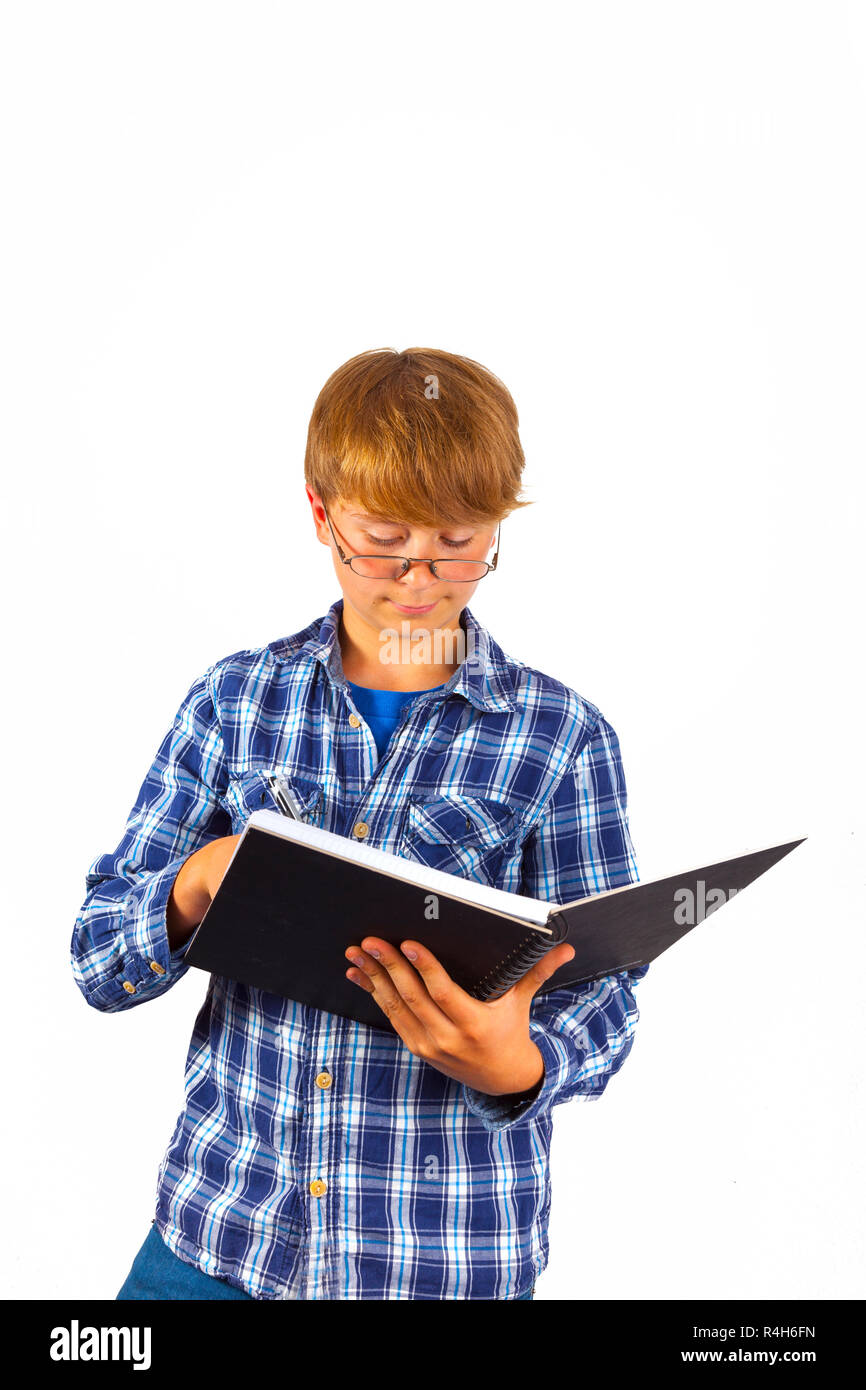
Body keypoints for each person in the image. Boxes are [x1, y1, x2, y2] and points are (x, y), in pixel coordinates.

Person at [71, 346, 649, 1301]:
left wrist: (521, 1062)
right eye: (384, 538)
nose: (420, 578)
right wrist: (199, 879)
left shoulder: (562, 739)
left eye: (459, 542)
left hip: (441, 1260)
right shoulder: (234, 703)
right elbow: (99, 961)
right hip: (216, 1243)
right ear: (320, 513)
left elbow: (608, 994)